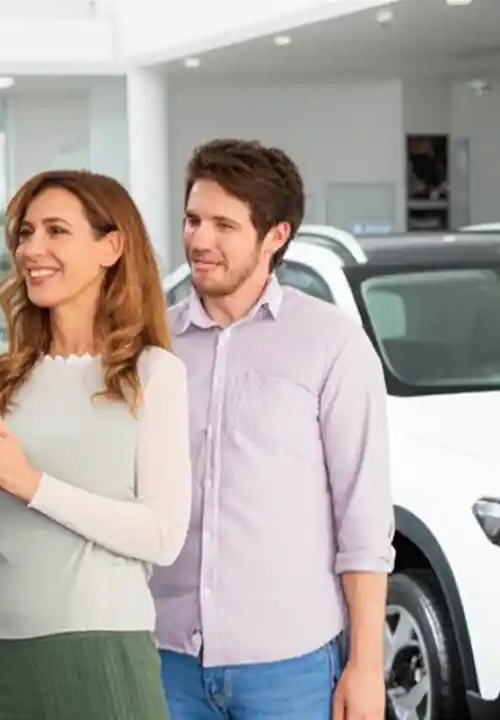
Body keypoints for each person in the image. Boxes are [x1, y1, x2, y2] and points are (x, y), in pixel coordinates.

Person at [150, 138, 394, 720]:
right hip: (164, 659)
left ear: (275, 235)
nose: (199, 240)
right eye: (193, 219)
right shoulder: (152, 344)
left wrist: (365, 667)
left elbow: (362, 516)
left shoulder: (331, 343)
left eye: (224, 226)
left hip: (291, 670)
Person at [0, 169, 192, 719]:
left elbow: (162, 535)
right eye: (26, 233)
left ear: (110, 247)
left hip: (97, 658)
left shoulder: (153, 375)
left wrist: (29, 482)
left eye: (56, 231)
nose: (33, 249)